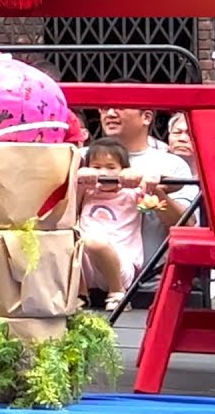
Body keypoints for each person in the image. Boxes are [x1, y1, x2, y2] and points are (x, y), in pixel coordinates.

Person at [98, 97, 195, 295]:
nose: (110, 114)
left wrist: (154, 190)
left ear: (147, 117)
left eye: (120, 106)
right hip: (90, 286)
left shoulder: (171, 165)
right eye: (105, 107)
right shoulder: (84, 158)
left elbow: (187, 226)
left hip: (150, 287)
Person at [76, 138, 155, 311]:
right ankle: (80, 296)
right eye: (96, 167)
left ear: (123, 170)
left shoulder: (132, 193)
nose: (103, 173)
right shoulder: (87, 191)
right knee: (69, 244)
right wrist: (79, 177)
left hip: (120, 265)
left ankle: (117, 292)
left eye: (111, 167)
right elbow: (68, 209)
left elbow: (163, 184)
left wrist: (141, 177)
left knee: (93, 242)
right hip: (84, 265)